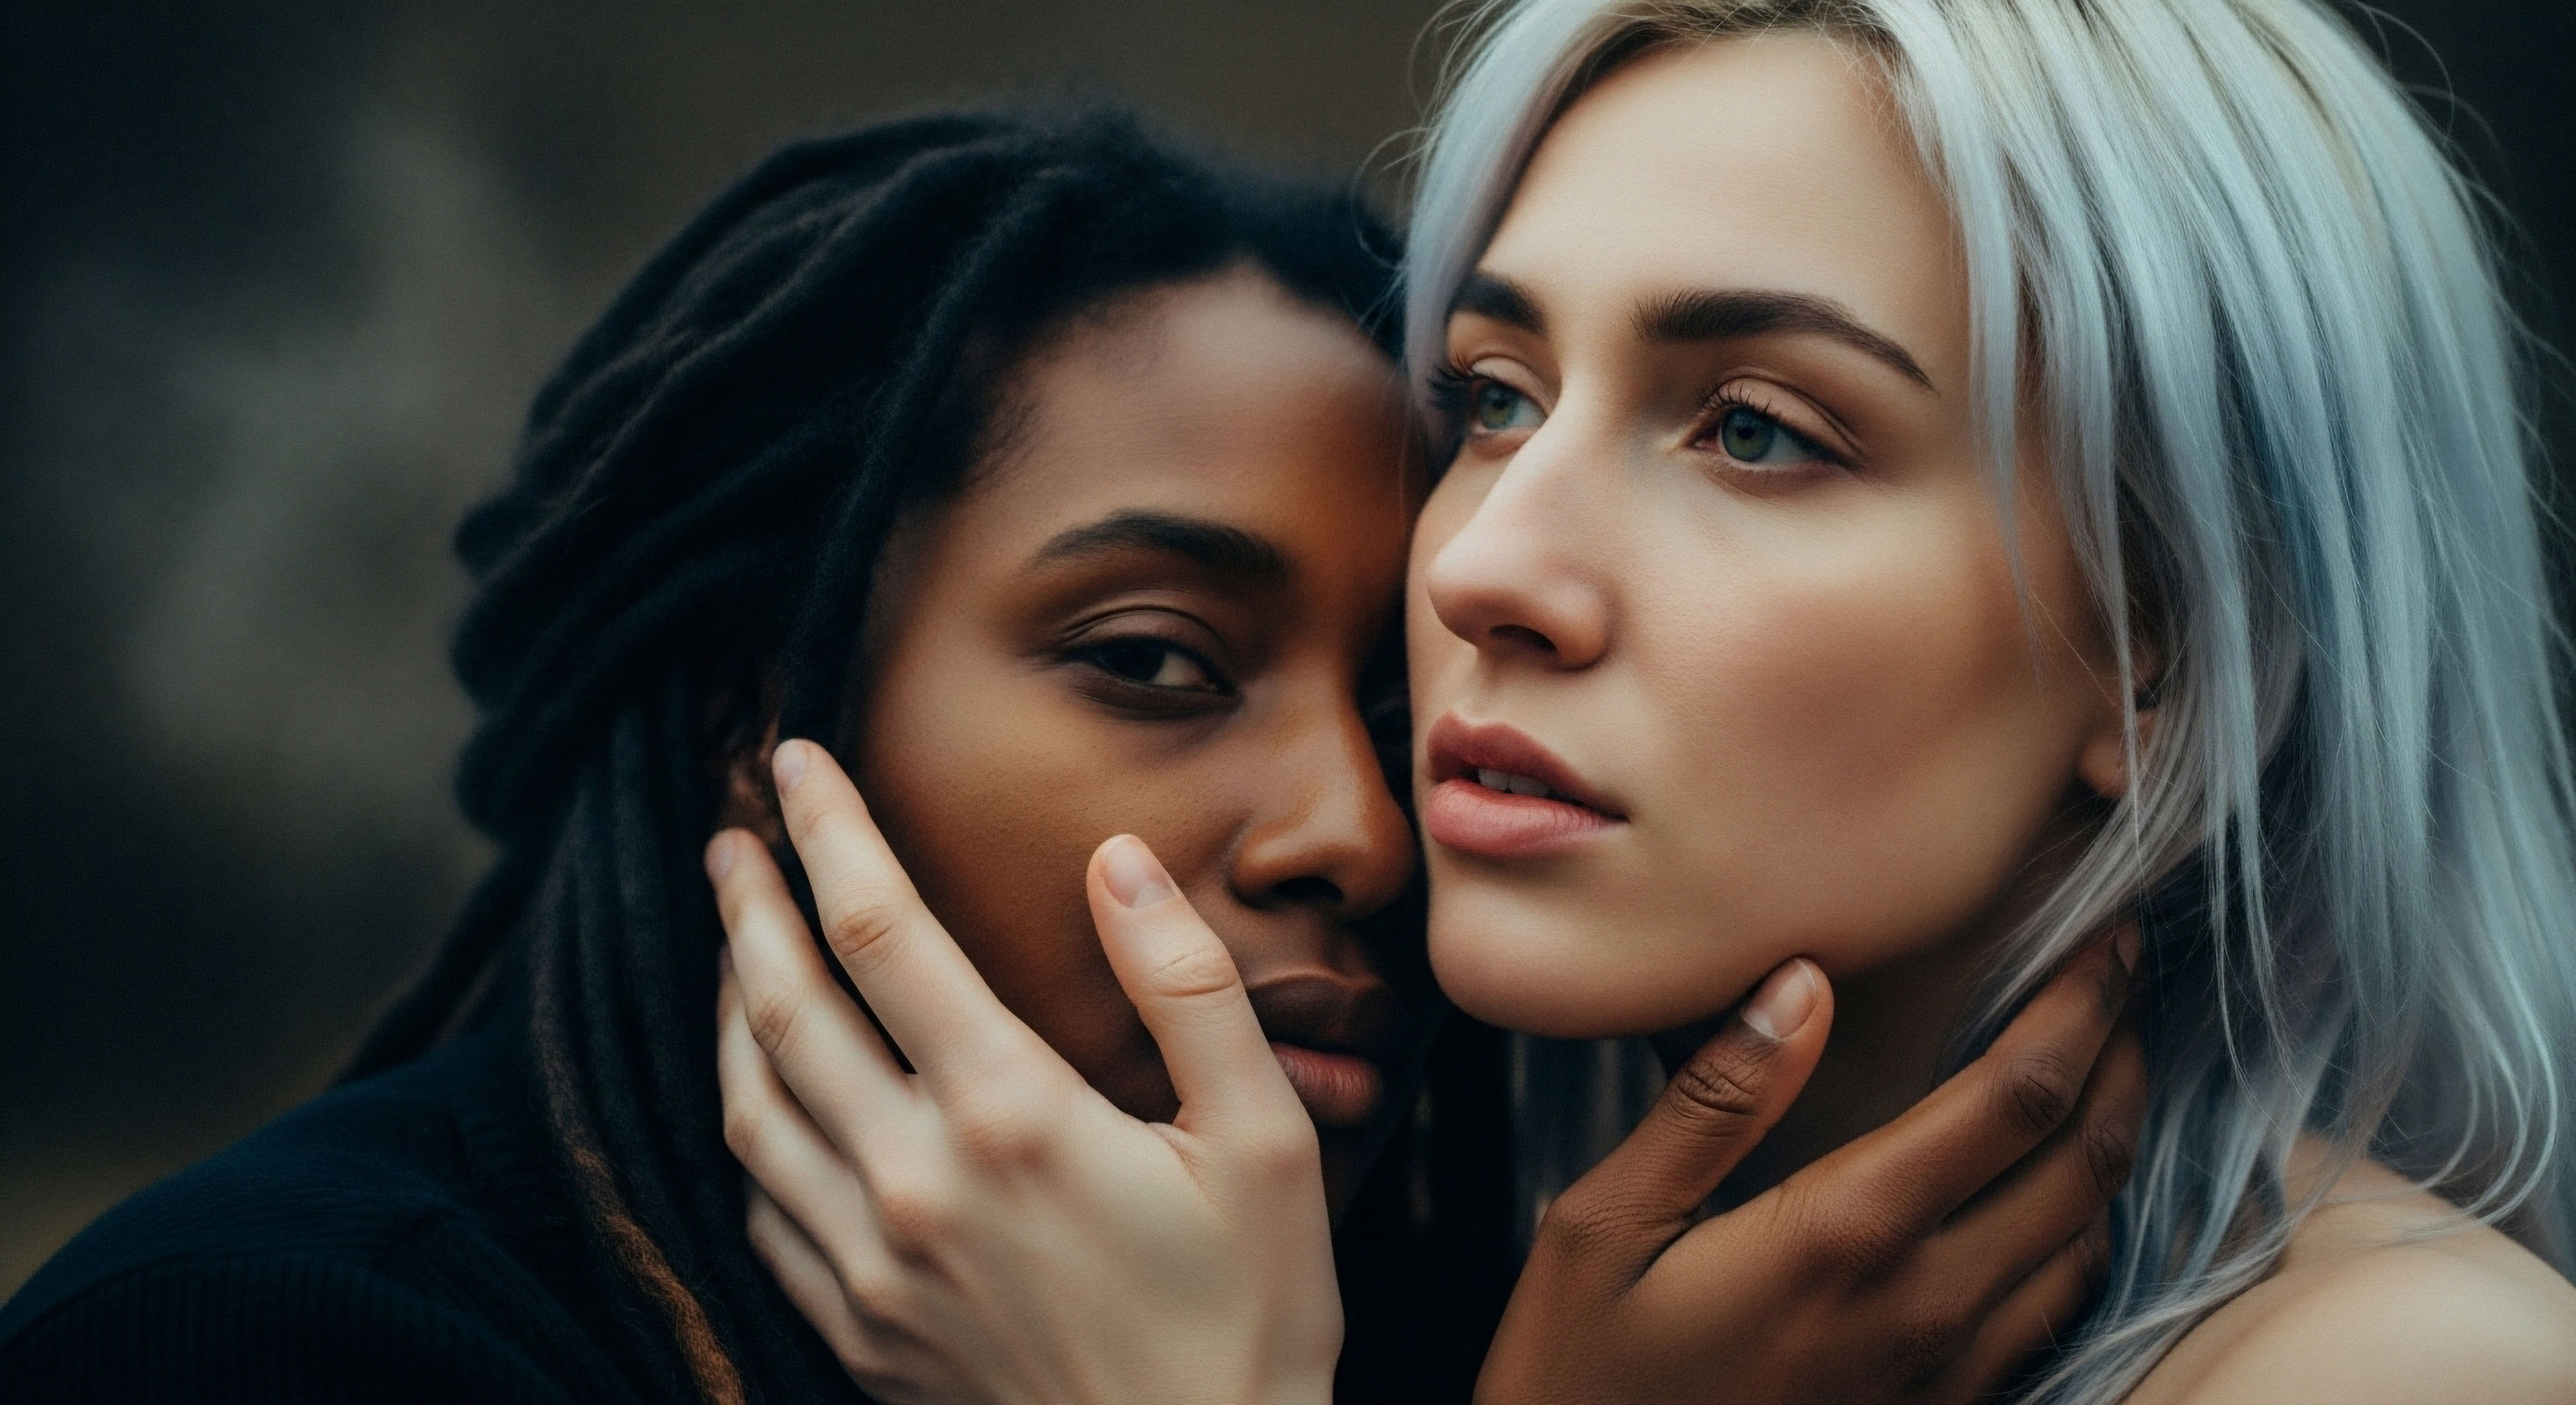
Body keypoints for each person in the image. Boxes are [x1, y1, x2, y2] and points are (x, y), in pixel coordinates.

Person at [0, 104, 2138, 1404]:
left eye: (1404, 711)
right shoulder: (258, 1347)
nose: (1360, 835)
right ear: (769, 723)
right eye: (1154, 660)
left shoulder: (1470, 1331)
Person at [719, 0, 2576, 1402]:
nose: (1483, 567)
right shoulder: (1417, 1260)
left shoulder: (2415, 1366)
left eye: (1755, 430)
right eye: (1499, 396)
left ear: (2172, 643)